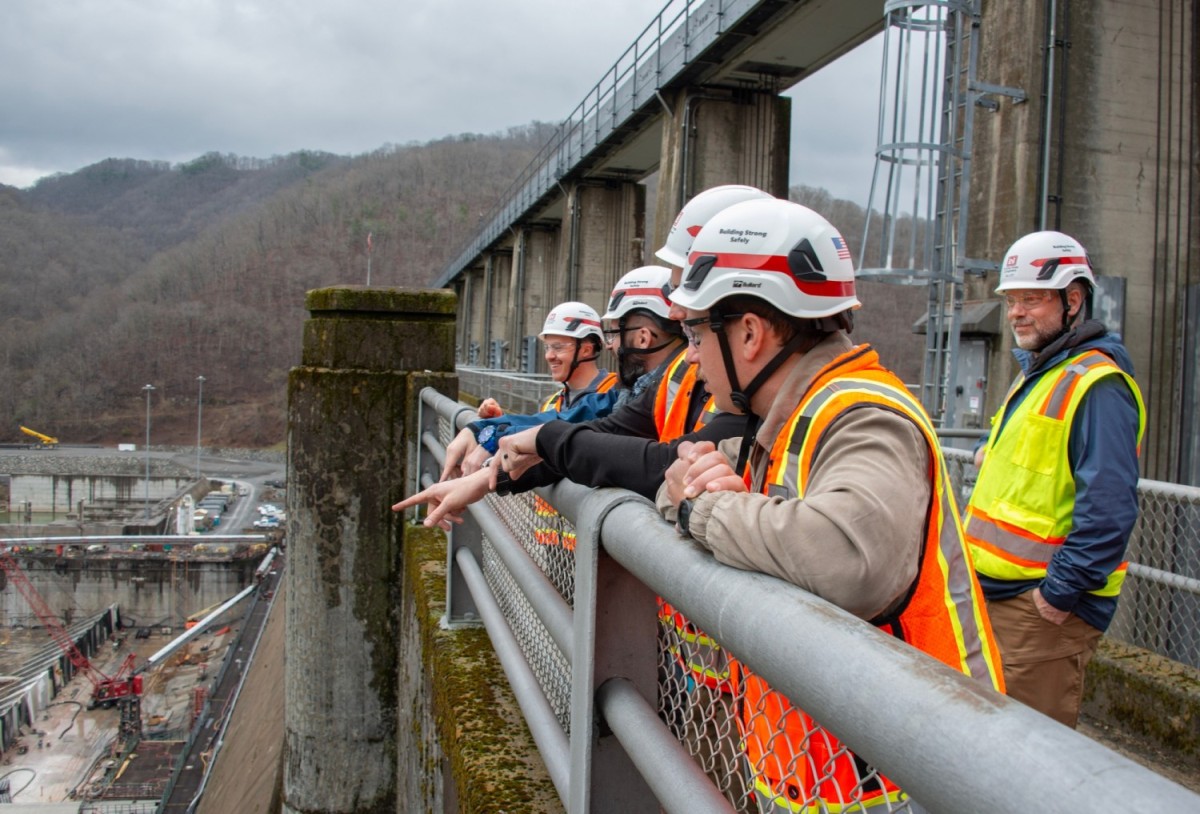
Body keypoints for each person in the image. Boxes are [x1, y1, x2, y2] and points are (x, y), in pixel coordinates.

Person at [657, 197, 1004, 812]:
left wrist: (704, 512)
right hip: (826, 767)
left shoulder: (862, 414)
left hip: (905, 768)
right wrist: (693, 493)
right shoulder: (780, 416)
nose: (688, 355)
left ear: (749, 333)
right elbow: (674, 486)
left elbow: (849, 556)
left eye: (693, 332)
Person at [965, 230, 1145, 728]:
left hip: (1040, 610)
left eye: (1032, 299)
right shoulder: (1043, 374)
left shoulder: (1097, 385)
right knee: (985, 748)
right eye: (1012, 300)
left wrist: (1058, 595)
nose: (1017, 312)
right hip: (1002, 599)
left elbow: (1109, 508)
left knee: (1024, 761)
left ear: (1073, 299)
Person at [440, 301, 619, 480]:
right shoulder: (554, 400)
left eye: (558, 347)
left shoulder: (613, 396)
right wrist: (504, 424)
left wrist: (493, 431)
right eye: (547, 347)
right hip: (551, 508)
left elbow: (561, 428)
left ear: (586, 350)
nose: (549, 356)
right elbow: (540, 434)